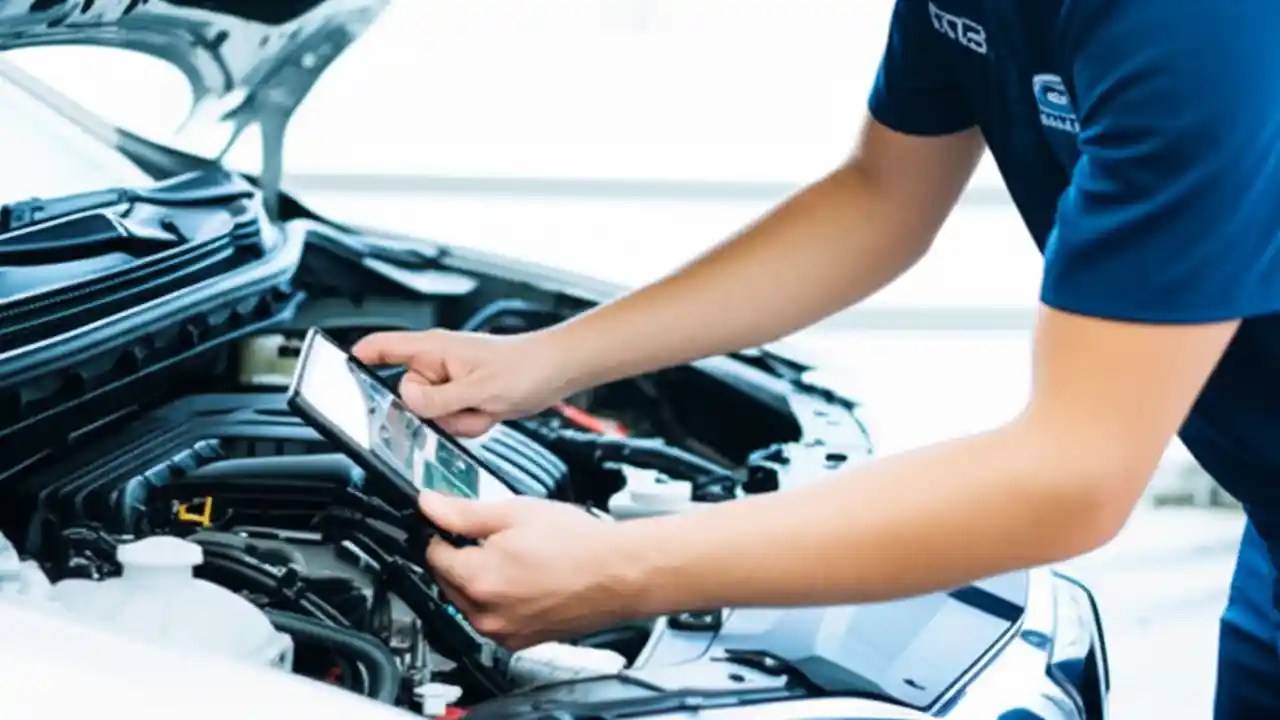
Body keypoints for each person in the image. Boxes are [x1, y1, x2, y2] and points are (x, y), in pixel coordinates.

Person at [352, 3, 1280, 717]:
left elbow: (1073, 473)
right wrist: (543, 364)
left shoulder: (1192, 22)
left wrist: (623, 569)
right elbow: (881, 198)